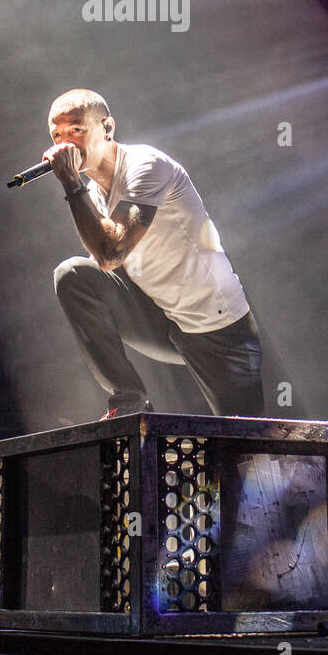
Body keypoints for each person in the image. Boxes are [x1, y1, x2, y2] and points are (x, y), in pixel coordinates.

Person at [43, 88, 264, 419]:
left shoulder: (145, 166)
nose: (65, 143)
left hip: (217, 327)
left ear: (107, 127)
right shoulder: (92, 191)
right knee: (73, 274)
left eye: (76, 130)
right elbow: (103, 267)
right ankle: (129, 399)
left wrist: (71, 183)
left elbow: (112, 253)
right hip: (162, 321)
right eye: (56, 134)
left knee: (246, 451)